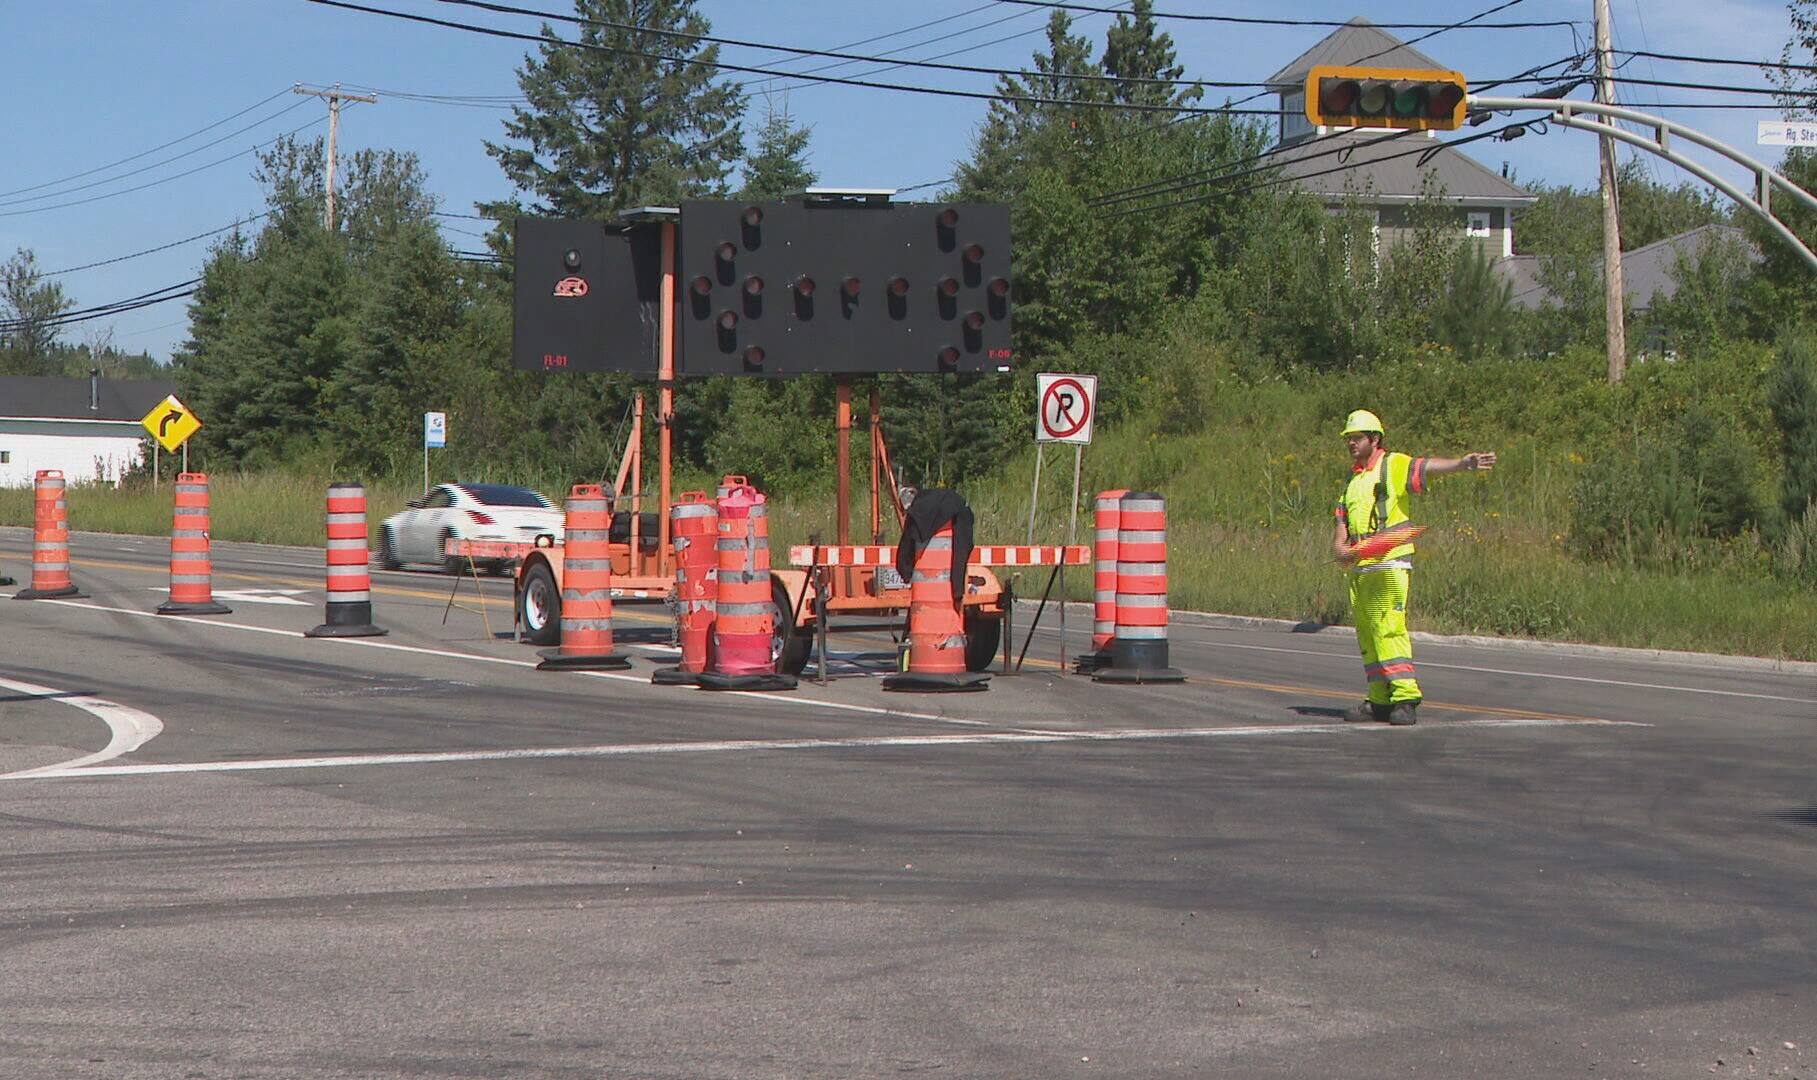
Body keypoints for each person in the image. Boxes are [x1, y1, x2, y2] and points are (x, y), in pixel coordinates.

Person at [1332, 410, 1496, 726]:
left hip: (1389, 562)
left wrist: (1462, 464)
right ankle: (1380, 699)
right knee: (1368, 634)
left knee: (1388, 627)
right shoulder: (1353, 481)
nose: (1351, 443)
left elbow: (1426, 466)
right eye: (1349, 438)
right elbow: (1341, 523)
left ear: (1374, 439)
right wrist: (1340, 549)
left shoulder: (1391, 465)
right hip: (1360, 568)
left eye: (1356, 438)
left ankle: (1405, 698)